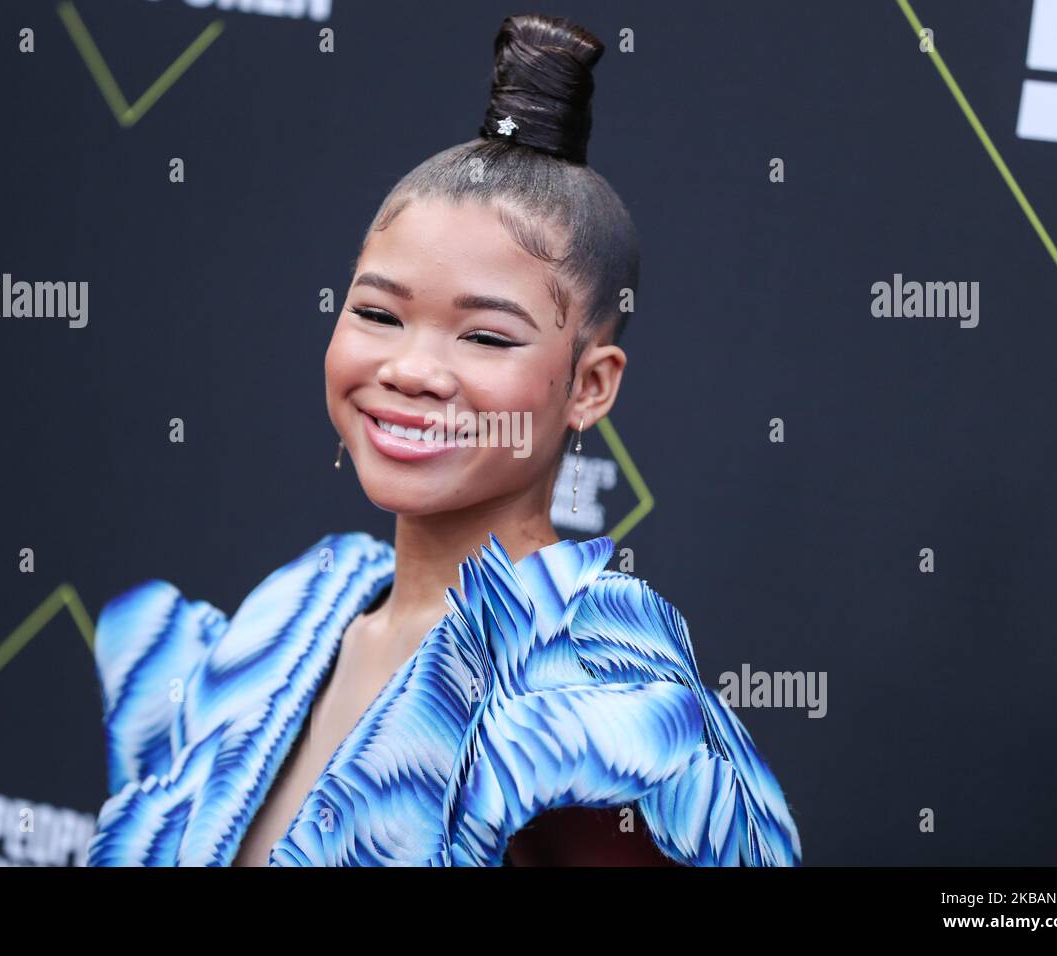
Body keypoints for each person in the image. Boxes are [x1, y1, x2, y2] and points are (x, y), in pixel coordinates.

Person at [85, 13, 801, 868]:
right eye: (378, 314)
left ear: (591, 384)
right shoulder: (295, 615)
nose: (413, 369)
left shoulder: (590, 709)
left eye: (486, 337)